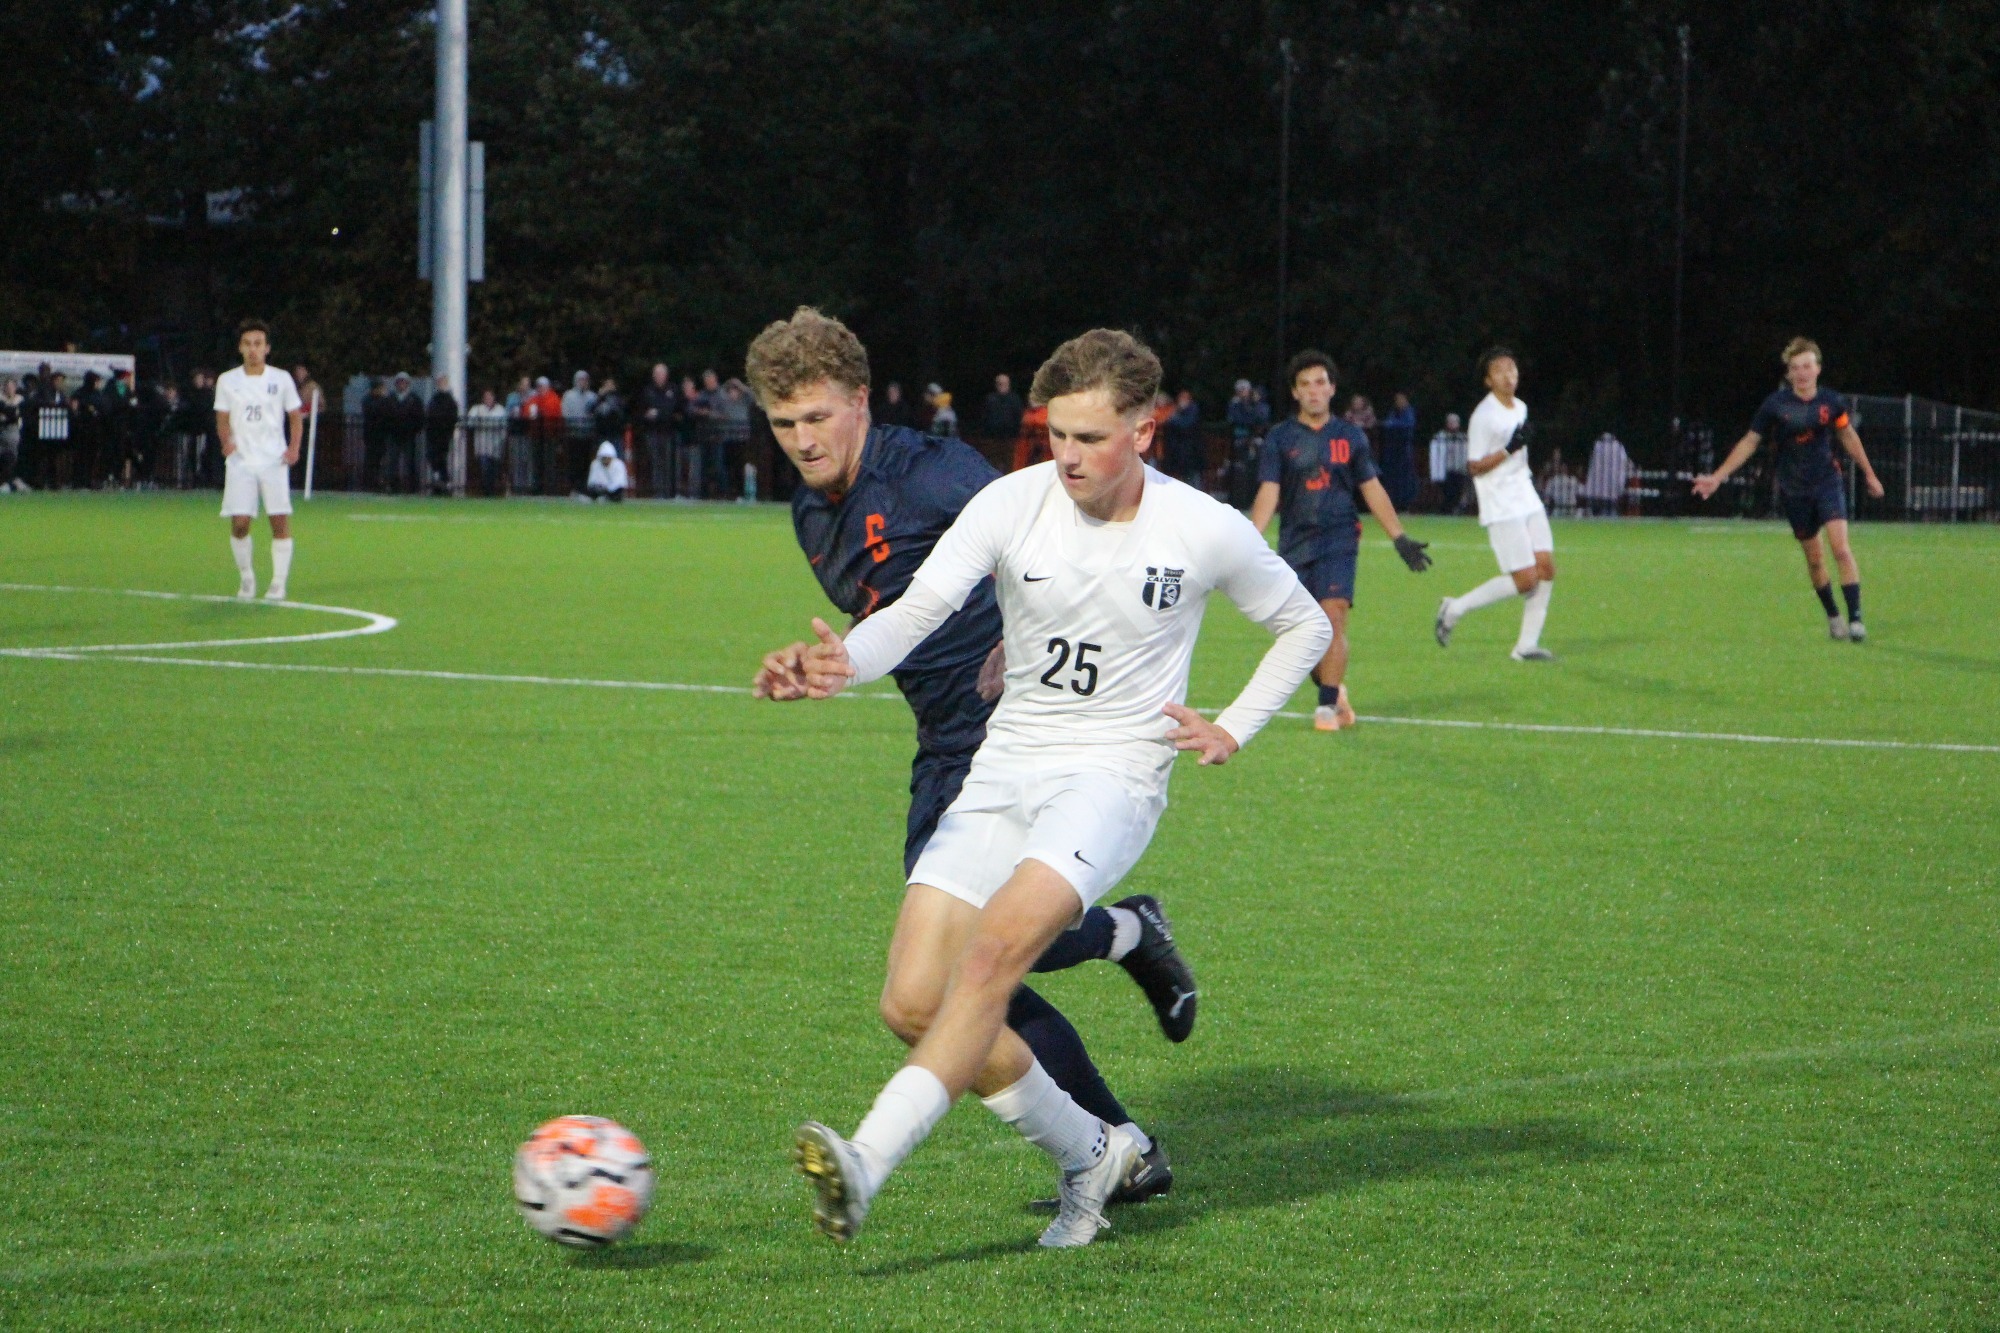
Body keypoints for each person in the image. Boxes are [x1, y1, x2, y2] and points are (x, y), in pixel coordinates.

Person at [778, 327, 1331, 1249]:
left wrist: (1233, 724)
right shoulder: (1011, 502)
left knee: (990, 960)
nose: (1067, 456)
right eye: (1057, 434)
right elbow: (918, 610)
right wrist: (847, 662)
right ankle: (1096, 1151)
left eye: (1090, 438)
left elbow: (1303, 626)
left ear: (1144, 431)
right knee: (911, 1000)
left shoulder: (1202, 527)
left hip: (1112, 775)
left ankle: (866, 1160)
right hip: (1005, 763)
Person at [747, 309, 1196, 1228]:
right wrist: (824, 663)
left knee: (957, 973)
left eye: (818, 416)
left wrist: (1022, 633)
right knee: (955, 978)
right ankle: (1124, 952)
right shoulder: (809, 509)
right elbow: (891, 608)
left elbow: (1055, 522)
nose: (802, 439)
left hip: (1021, 734)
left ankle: (1112, 1139)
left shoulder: (928, 470)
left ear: (860, 401)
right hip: (942, 744)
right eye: (783, 422)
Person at [1249, 350, 1431, 731]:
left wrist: (1398, 537)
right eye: (1305, 384)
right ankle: (1335, 690)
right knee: (1302, 635)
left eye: (1320, 382)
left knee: (1333, 618)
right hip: (1295, 543)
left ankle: (1326, 707)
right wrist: (1248, 541)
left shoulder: (1351, 436)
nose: (1313, 391)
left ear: (1332, 389)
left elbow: (1371, 487)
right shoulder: (1280, 438)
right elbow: (1269, 491)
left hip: (1339, 539)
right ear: (1295, 393)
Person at [1693, 337, 1884, 641]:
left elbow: (1847, 436)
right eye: (1796, 368)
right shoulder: (1775, 405)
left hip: (1827, 482)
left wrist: (1869, 474)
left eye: (1807, 366)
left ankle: (1856, 618)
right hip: (1794, 490)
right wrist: (1717, 477)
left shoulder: (1831, 402)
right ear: (1789, 373)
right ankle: (1833, 616)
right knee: (1815, 560)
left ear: (1818, 369)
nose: (1802, 373)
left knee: (1841, 548)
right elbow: (1750, 442)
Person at [1434, 347, 1555, 661]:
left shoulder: (1521, 407)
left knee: (1546, 568)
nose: (1508, 375)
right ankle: (1454, 608)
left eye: (1511, 368)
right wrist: (1509, 448)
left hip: (1525, 493)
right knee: (1525, 579)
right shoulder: (1483, 416)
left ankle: (1526, 646)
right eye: (1499, 371)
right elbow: (1474, 466)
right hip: (1500, 502)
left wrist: (1519, 449)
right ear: (1488, 380)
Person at [213, 319, 303, 600]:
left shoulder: (281, 379)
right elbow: (222, 417)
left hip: (273, 461)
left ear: (267, 348)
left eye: (258, 344)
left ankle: (278, 581)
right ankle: (247, 577)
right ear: (240, 348)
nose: (253, 349)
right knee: (240, 523)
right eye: (248, 344)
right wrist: (226, 442)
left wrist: (293, 448)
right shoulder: (227, 380)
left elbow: (295, 416)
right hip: (241, 461)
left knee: (279, 520)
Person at [637, 363, 678, 497]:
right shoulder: (647, 390)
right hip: (652, 432)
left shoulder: (672, 389)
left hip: (668, 432)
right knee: (655, 462)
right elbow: (641, 410)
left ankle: (668, 492)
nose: (659, 377)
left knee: (668, 463)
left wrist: (659, 413)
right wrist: (647, 414)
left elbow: (673, 408)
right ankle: (657, 491)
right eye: (657, 374)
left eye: (662, 374)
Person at [1377, 391, 1419, 509]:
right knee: (1392, 478)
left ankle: (1404, 503)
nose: (1399, 402)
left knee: (1405, 478)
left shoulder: (1408, 412)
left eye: (1401, 399)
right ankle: (1393, 502)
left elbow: (1406, 426)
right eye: (1397, 400)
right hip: (1392, 452)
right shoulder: (1394, 412)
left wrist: (1390, 424)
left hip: (1403, 451)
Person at [466, 388, 508, 495]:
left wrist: (503, 440)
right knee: (484, 467)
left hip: (496, 444)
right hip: (482, 445)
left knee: (494, 468)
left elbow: (504, 426)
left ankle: (492, 490)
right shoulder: (477, 409)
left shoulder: (500, 410)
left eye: (490, 397)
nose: (488, 399)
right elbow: (469, 423)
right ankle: (487, 491)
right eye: (486, 397)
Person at [1582, 430, 1633, 517]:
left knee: (1596, 515)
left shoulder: (1597, 446)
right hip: (1612, 491)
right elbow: (1623, 469)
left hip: (1596, 492)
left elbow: (1592, 470)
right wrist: (1620, 488)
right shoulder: (1619, 448)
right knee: (1610, 514)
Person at [425, 374, 460, 493]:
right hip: (433, 434)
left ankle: (443, 481)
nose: (440, 384)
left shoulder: (449, 400)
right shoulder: (435, 399)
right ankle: (441, 480)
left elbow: (452, 417)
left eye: (443, 382)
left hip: (443, 435)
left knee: (440, 458)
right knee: (433, 457)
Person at [1163, 388, 1204, 489]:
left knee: (1192, 478)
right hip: (1180, 451)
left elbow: (1185, 424)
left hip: (1192, 450)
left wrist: (1172, 419)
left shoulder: (1193, 409)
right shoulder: (1177, 410)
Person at [1429, 412, 1469, 513]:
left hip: (1459, 469)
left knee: (1458, 490)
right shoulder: (1440, 437)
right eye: (1450, 422)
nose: (1452, 425)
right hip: (1445, 470)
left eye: (1454, 422)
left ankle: (1456, 508)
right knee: (1446, 491)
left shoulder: (1463, 438)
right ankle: (1446, 509)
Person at [981, 372, 1025, 439]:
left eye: (1005, 384)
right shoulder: (990, 399)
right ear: (996, 385)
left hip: (1012, 436)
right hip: (992, 437)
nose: (1003, 386)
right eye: (1000, 384)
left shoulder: (1015, 399)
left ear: (1009, 384)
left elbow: (1020, 418)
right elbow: (985, 418)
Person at [1541, 449, 1582, 516]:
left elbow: (1580, 495)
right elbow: (1547, 498)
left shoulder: (1573, 481)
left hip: (1570, 510)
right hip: (1559, 509)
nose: (1563, 468)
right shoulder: (1553, 481)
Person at [0, 378, 22, 491]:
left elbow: (16, 417)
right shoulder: (1, 400)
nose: (9, 389)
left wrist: (9, 416)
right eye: (7, 387)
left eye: (11, 387)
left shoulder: (20, 400)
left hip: (13, 433)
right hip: (2, 433)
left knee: (12, 458)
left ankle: (9, 482)